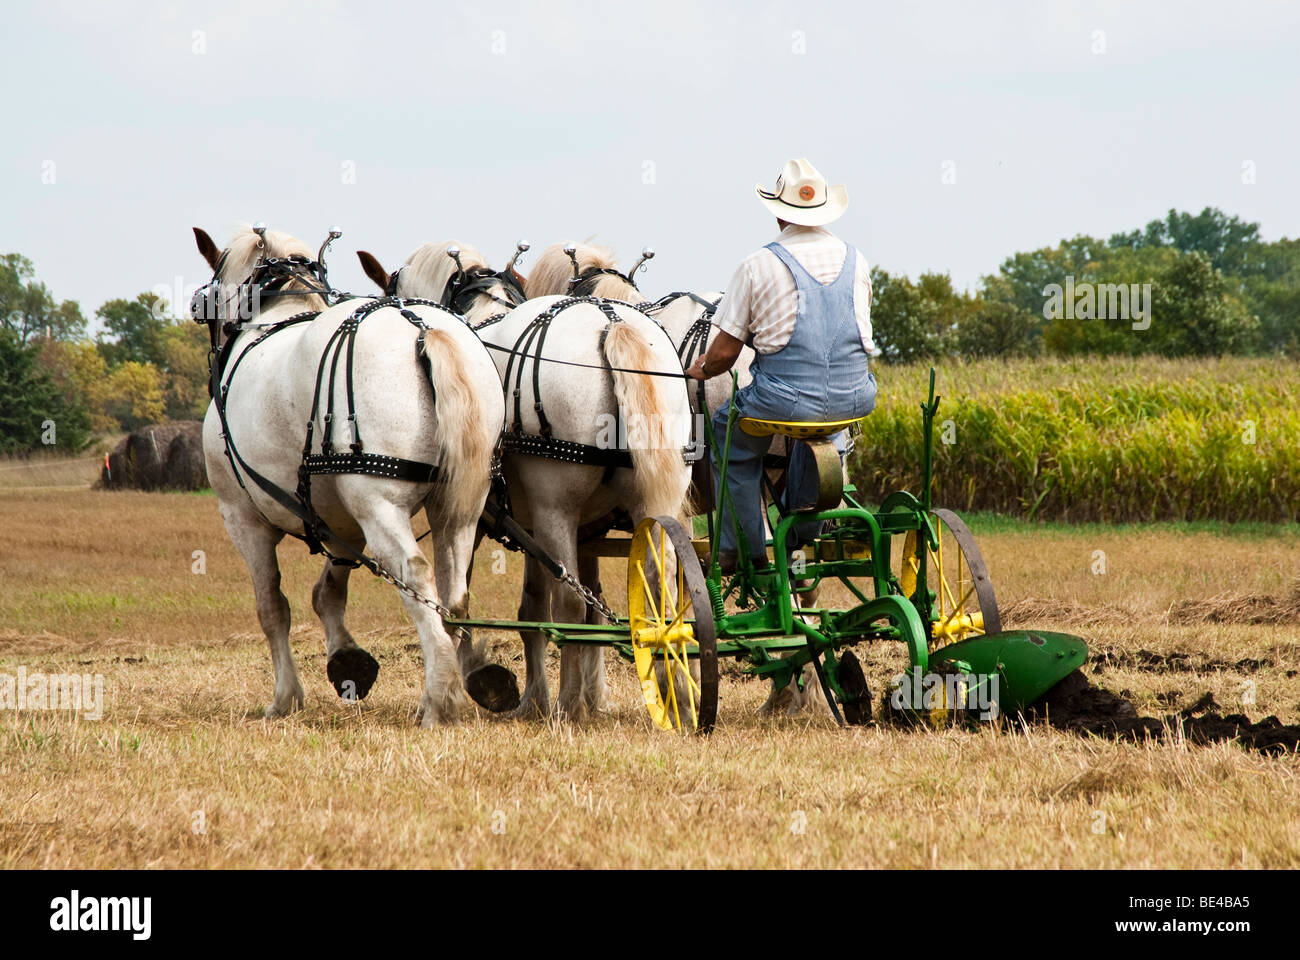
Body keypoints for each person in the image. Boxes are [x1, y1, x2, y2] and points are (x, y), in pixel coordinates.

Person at [686, 158, 877, 574]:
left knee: (726, 433)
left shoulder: (758, 264)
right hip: (856, 397)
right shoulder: (857, 260)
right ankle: (802, 537)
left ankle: (743, 549)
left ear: (778, 212)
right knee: (827, 432)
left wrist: (699, 370)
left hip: (783, 402)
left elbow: (723, 356)